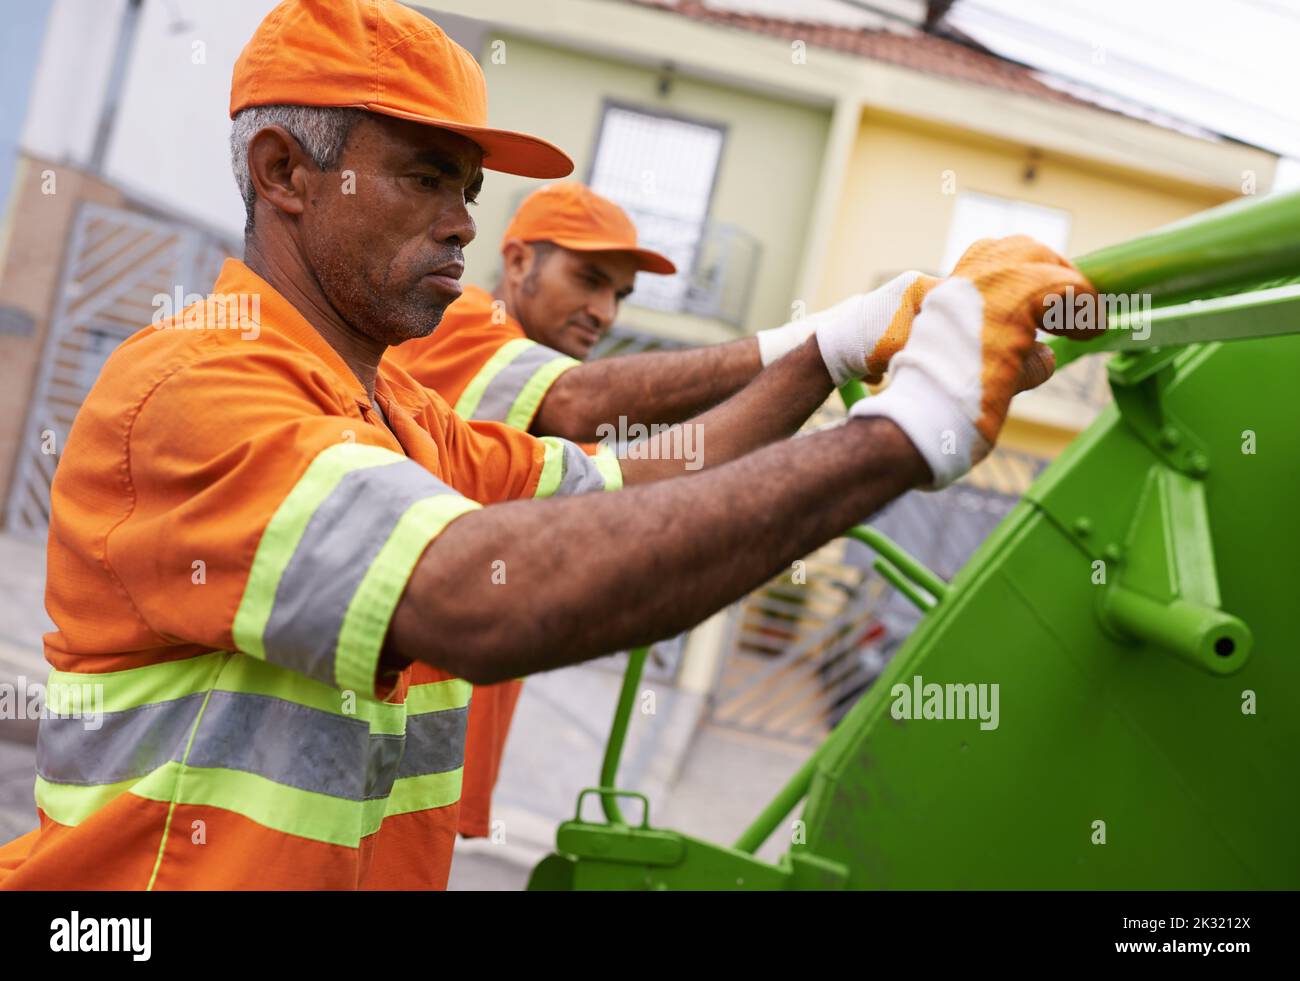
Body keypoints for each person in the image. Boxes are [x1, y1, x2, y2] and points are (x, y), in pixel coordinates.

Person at [0, 0, 1092, 889]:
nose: (466, 223)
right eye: (426, 176)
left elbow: (634, 474)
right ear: (285, 172)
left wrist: (829, 351)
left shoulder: (397, 416)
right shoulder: (199, 385)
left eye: (469, 191)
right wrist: (903, 433)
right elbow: (484, 597)